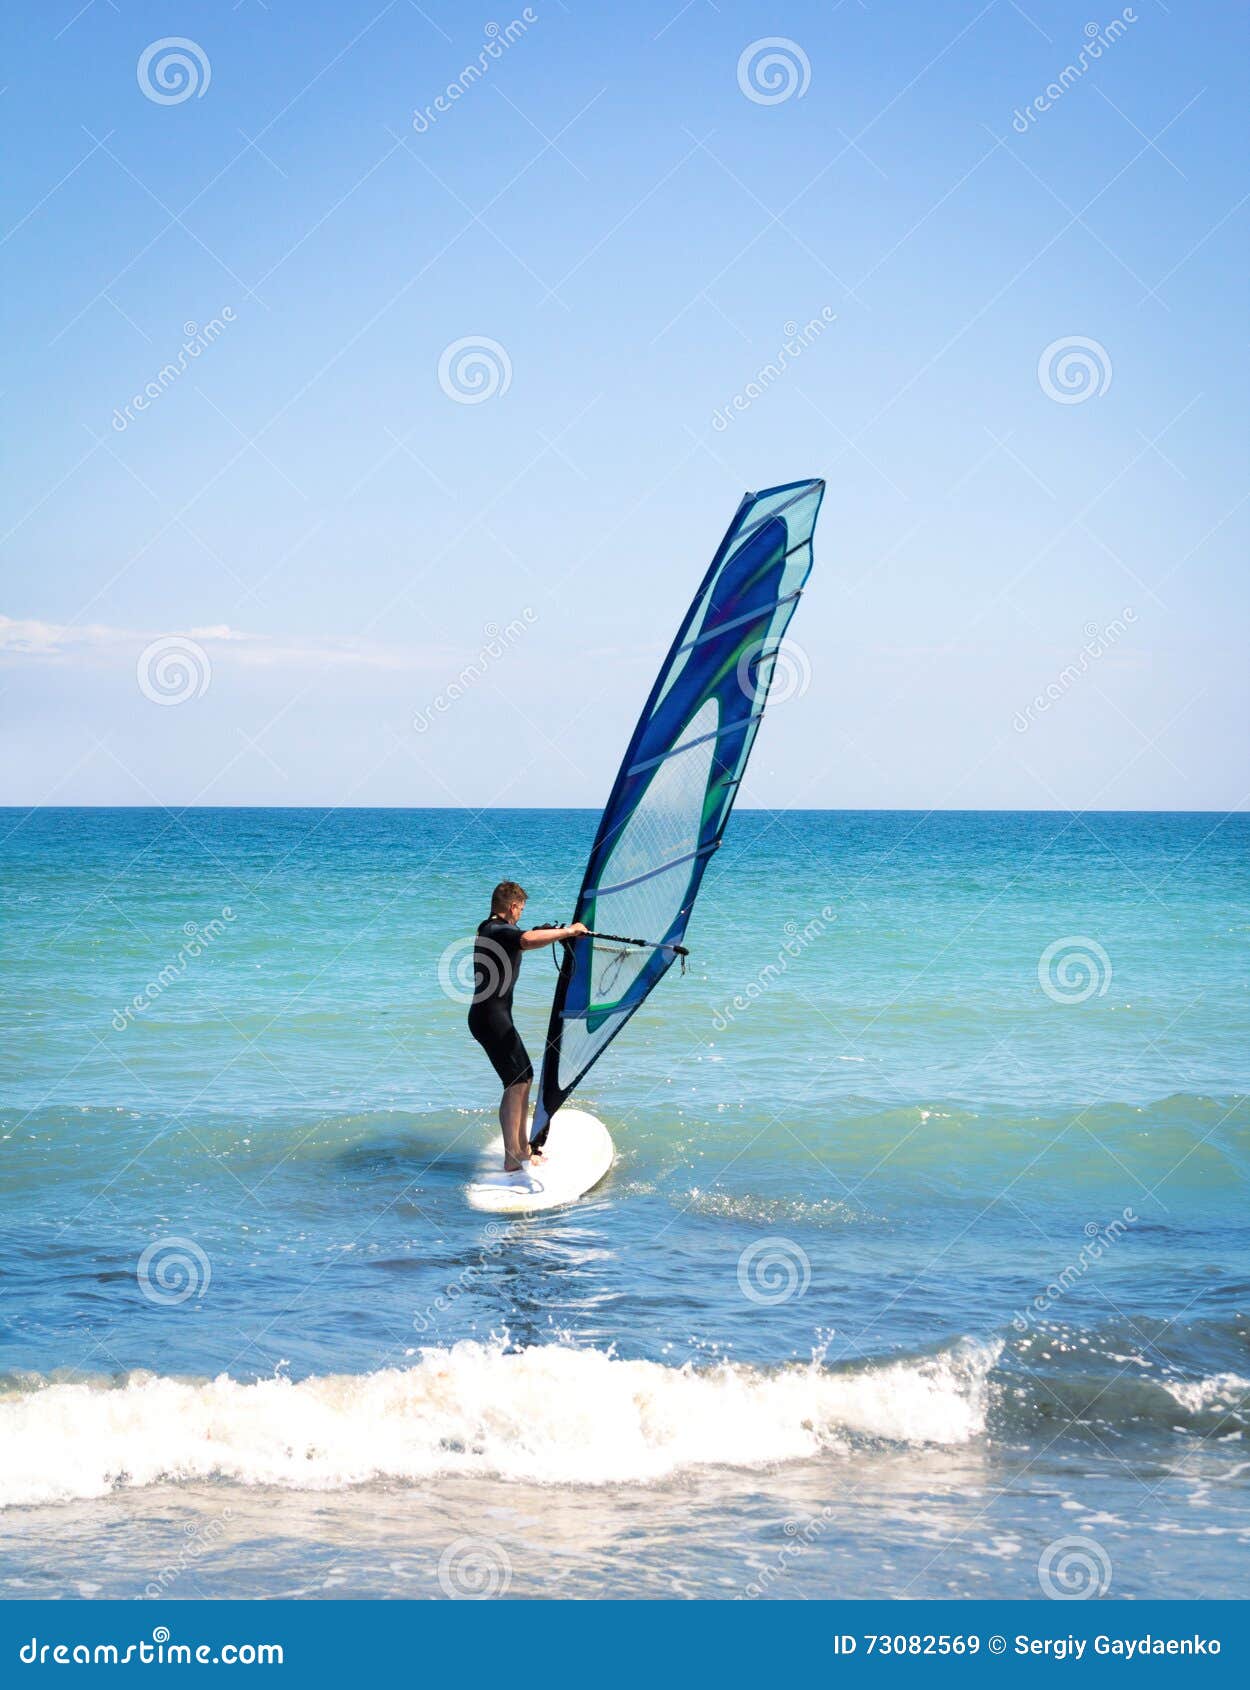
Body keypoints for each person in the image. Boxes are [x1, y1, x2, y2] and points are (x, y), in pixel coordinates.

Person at [467, 881, 587, 1172]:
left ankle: (521, 1149)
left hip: (490, 1017)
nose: (520, 914)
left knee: (523, 1077)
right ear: (512, 907)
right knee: (517, 1081)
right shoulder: (494, 929)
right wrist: (569, 931)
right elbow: (527, 939)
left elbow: (525, 938)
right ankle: (513, 1156)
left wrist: (550, 933)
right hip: (490, 1018)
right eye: (520, 909)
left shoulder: (490, 929)